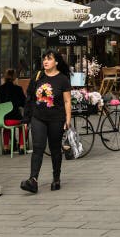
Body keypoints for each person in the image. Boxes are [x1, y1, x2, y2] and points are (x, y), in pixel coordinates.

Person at [20, 50, 72, 194]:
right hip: (38, 118)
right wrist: (26, 118)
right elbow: (30, 97)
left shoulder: (63, 79)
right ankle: (33, 180)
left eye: (49, 59)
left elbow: (67, 101)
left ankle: (56, 178)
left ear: (56, 62)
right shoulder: (38, 76)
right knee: (38, 147)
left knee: (55, 148)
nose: (45, 61)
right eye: (44, 59)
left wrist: (68, 119)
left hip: (57, 118)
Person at [0, 69, 27, 154]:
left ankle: (6, 147)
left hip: (2, 119)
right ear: (14, 78)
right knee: (24, 125)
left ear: (4, 78)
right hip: (15, 118)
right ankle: (21, 146)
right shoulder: (18, 89)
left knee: (6, 127)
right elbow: (24, 103)